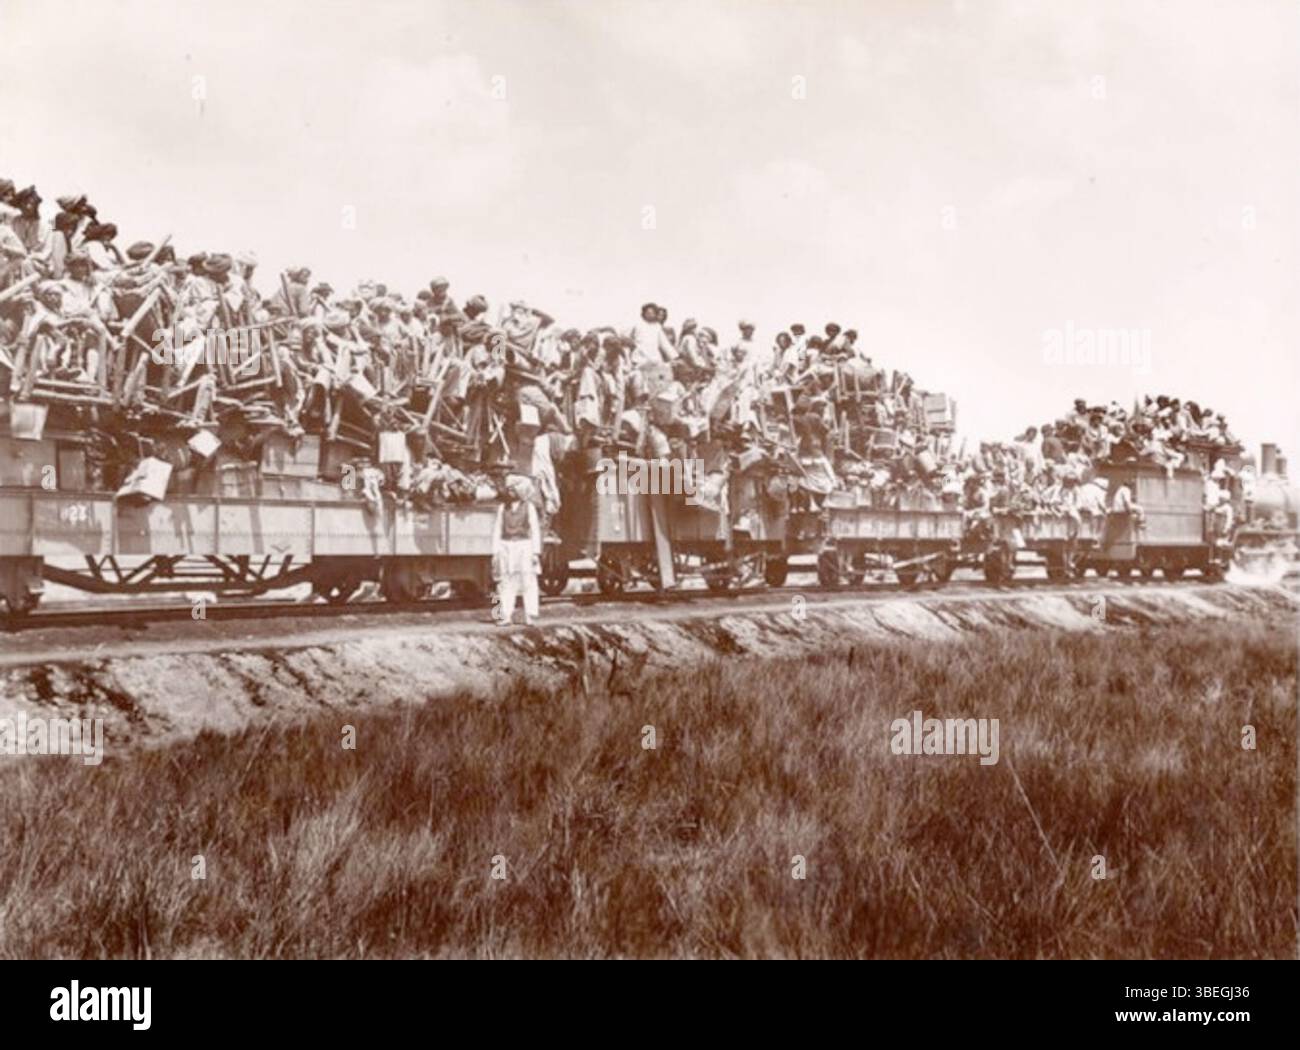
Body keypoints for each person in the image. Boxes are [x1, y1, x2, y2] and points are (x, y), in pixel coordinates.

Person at [492, 475, 542, 626]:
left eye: (513, 489)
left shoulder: (529, 507)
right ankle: (504, 615)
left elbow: (534, 530)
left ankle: (530, 615)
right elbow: (497, 529)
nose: (510, 492)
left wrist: (535, 553)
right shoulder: (502, 508)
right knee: (505, 581)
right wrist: (495, 552)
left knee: (528, 580)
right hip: (505, 545)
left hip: (524, 545)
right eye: (509, 490)